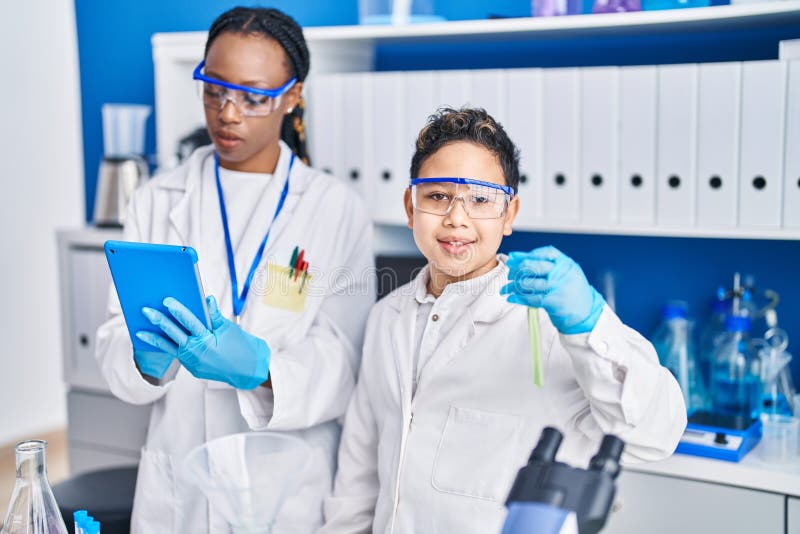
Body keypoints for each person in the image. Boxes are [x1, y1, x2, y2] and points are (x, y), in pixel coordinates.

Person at [320, 107, 687, 533]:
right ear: (411, 205)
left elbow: (656, 434)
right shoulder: (388, 318)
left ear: (509, 214)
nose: (457, 218)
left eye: (480, 199)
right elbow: (360, 478)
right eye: (437, 196)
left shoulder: (550, 322)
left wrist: (588, 325)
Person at [95, 7, 374, 532]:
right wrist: (144, 359)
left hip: (285, 485)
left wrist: (261, 369)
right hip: (179, 482)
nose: (227, 113)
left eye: (253, 97)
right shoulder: (157, 200)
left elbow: (346, 360)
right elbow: (113, 337)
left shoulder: (336, 208)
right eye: (214, 90)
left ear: (293, 97)